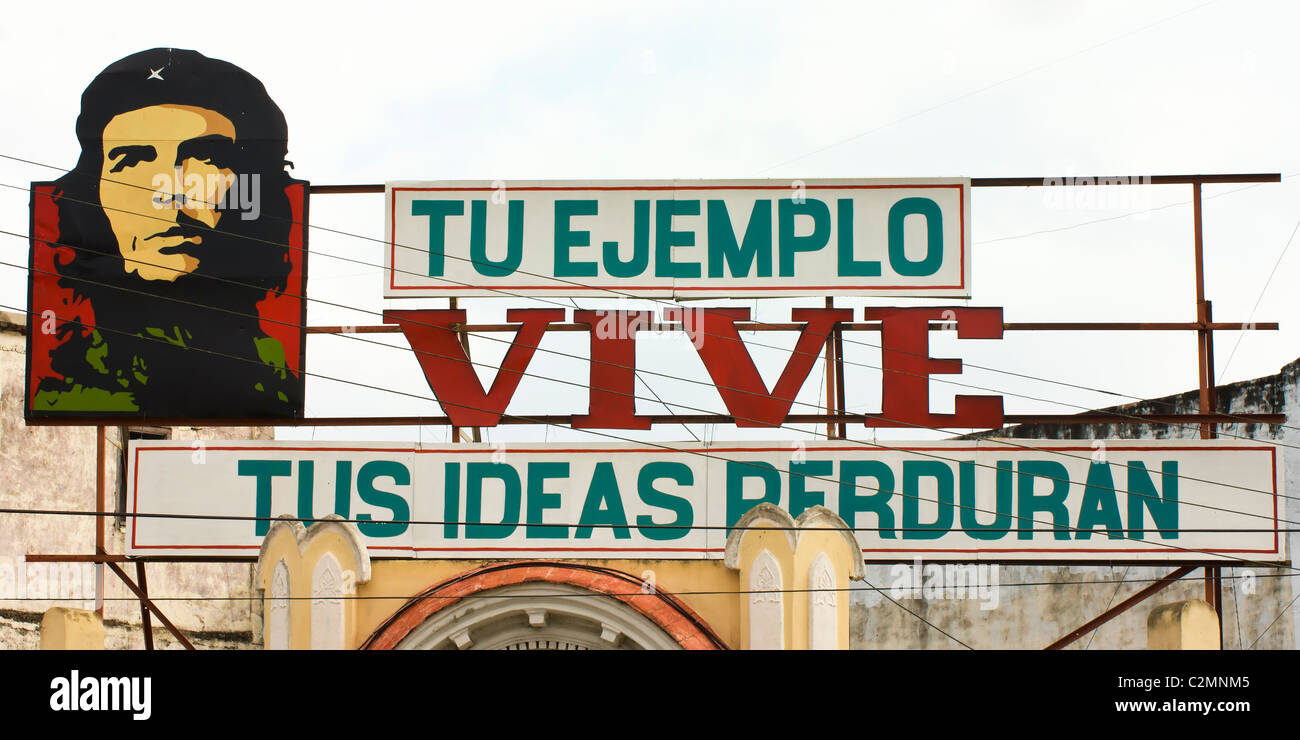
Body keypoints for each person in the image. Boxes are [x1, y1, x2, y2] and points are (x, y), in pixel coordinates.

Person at [29, 48, 306, 419]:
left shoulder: (272, 383)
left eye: (206, 157)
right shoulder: (61, 388)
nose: (168, 192)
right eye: (130, 159)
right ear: (92, 191)